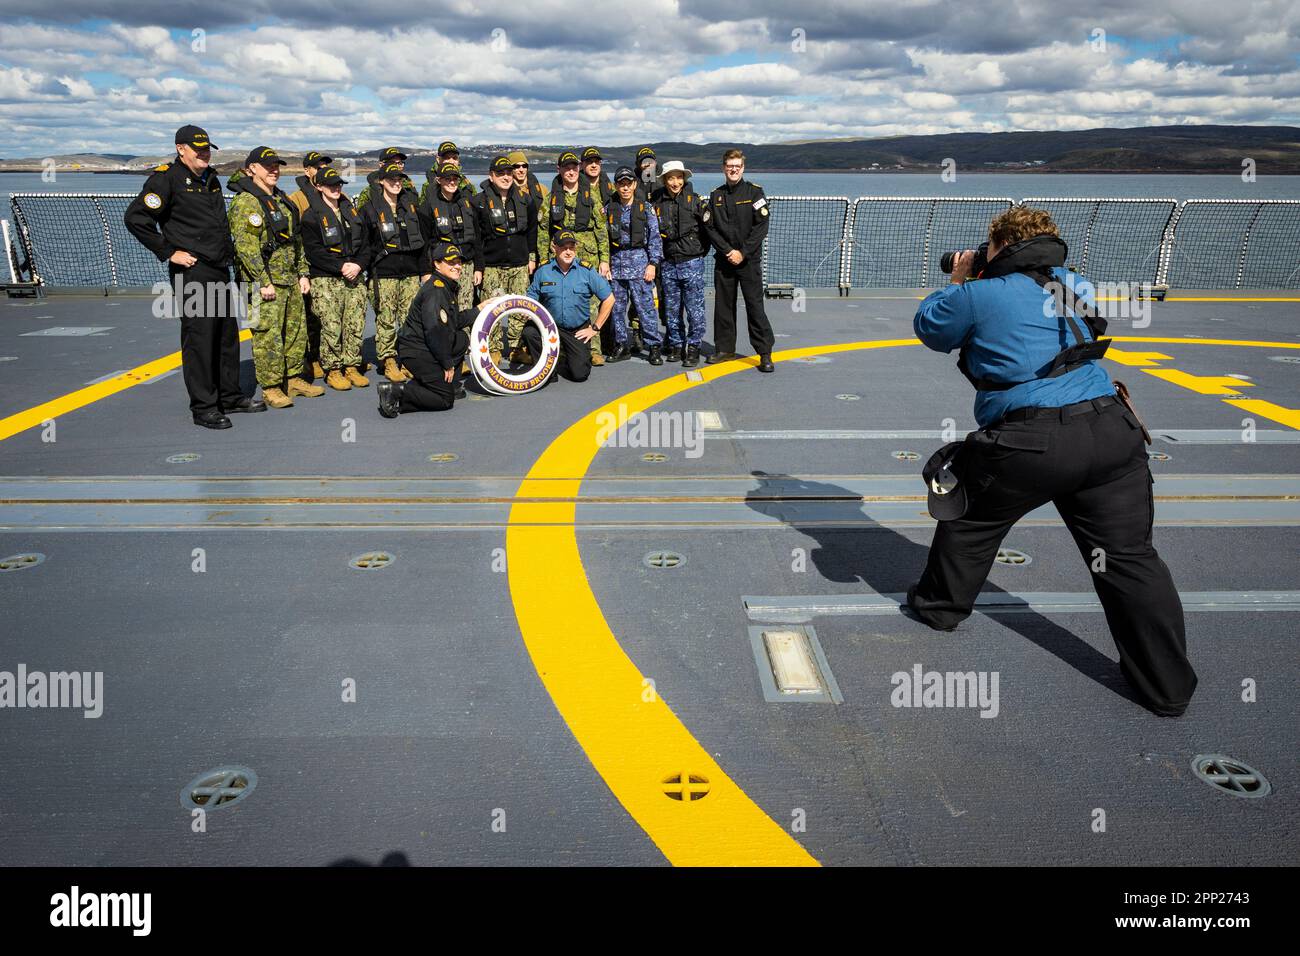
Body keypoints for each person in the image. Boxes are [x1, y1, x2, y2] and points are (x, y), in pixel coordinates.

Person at [906, 205, 1197, 718]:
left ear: (997, 246)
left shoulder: (977, 294)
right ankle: (1167, 687)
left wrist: (957, 278)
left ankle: (940, 608)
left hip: (1029, 441)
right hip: (1112, 431)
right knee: (1129, 557)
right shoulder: (1073, 284)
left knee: (969, 521)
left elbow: (931, 329)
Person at [124, 124, 264, 428]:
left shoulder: (210, 178)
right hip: (192, 271)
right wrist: (168, 251)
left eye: (206, 149)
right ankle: (203, 407)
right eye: (197, 148)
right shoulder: (166, 180)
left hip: (218, 268)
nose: (203, 154)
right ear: (181, 149)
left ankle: (229, 395)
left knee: (226, 336)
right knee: (200, 340)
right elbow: (135, 218)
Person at [227, 146, 322, 408]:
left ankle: (293, 378)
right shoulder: (246, 202)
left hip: (290, 280)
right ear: (251, 169)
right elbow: (246, 247)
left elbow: (296, 241)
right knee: (267, 336)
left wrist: (303, 273)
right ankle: (271, 386)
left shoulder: (281, 200)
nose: (274, 170)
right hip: (266, 283)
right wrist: (262, 281)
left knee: (295, 332)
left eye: (276, 166)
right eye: (268, 166)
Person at [378, 242, 476, 417]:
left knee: (461, 338)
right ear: (437, 264)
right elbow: (434, 331)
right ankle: (397, 391)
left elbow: (452, 322)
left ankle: (443, 384)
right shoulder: (436, 290)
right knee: (445, 400)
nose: (457, 266)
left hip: (426, 346)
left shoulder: (446, 285)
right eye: (451, 262)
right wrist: (447, 363)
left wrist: (478, 310)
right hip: (417, 350)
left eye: (459, 262)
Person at [300, 166, 371, 391]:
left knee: (355, 322)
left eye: (338, 184)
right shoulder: (311, 216)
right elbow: (313, 251)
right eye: (331, 185)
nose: (336, 188)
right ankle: (333, 369)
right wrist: (341, 266)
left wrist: (358, 264)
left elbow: (366, 244)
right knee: (331, 325)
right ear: (319, 187)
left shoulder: (351, 212)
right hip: (327, 278)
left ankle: (351, 365)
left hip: (355, 275)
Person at [703, 149, 773, 372]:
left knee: (755, 306)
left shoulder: (754, 193)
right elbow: (710, 227)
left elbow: (761, 226)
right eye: (729, 166)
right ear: (723, 168)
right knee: (723, 306)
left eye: (737, 166)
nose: (733, 169)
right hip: (725, 261)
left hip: (749, 260)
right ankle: (725, 349)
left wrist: (742, 252)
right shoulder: (716, 196)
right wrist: (727, 251)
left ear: (742, 168)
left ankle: (764, 353)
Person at [541, 149, 610, 366]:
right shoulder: (551, 198)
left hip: (588, 257)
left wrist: (605, 259)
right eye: (566, 168)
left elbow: (601, 230)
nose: (570, 172)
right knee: (561, 300)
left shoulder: (592, 196)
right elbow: (543, 231)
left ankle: (594, 349)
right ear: (559, 170)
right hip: (561, 256)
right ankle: (560, 347)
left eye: (574, 167)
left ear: (578, 168)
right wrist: (544, 259)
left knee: (592, 302)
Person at [519, 230, 614, 385]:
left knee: (580, 375)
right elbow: (532, 296)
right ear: (554, 248)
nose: (568, 252)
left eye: (572, 247)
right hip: (550, 326)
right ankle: (547, 369)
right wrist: (528, 310)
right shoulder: (543, 271)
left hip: (576, 329)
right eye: (564, 247)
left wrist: (595, 328)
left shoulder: (586, 271)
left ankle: (564, 357)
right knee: (530, 332)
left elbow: (609, 299)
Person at [470, 154, 538, 364]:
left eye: (509, 173)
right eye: (501, 173)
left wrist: (531, 257)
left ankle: (517, 348)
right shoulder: (479, 202)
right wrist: (479, 267)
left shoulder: (525, 200)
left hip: (519, 264)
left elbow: (532, 231)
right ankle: (494, 349)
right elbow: (476, 237)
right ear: (491, 176)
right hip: (491, 265)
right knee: (493, 309)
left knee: (520, 311)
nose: (506, 177)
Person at [361, 161, 426, 383]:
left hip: (410, 273)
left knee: (410, 320)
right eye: (391, 180)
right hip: (384, 274)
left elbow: (423, 241)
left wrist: (424, 270)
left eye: (399, 180)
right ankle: (388, 361)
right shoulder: (370, 208)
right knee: (386, 320)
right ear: (381, 181)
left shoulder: (411, 207)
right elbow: (364, 244)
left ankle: (407, 358)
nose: (396, 183)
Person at [652, 160, 708, 367]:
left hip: (691, 262)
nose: (674, 182)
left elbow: (707, 231)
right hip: (668, 263)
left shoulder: (696, 201)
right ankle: (676, 344)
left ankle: (693, 346)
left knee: (695, 309)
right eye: (670, 178)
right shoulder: (657, 203)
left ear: (684, 179)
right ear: (665, 180)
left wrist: (697, 252)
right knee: (671, 309)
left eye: (678, 177)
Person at [605, 165, 663, 364]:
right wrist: (605, 263)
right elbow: (603, 239)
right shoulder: (609, 209)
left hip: (640, 264)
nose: (625, 188)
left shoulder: (645, 208)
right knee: (617, 309)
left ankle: (654, 345)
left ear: (634, 185)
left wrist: (653, 264)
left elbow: (655, 238)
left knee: (645, 307)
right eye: (621, 184)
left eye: (628, 184)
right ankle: (622, 344)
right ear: (616, 186)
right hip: (616, 265)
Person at [287, 150, 333, 382]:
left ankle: (330, 358)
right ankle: (311, 359)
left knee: (331, 316)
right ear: (307, 171)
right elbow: (294, 236)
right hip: (309, 267)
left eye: (326, 165)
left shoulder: (333, 193)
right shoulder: (297, 198)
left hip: (331, 267)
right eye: (318, 166)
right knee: (309, 317)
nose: (323, 169)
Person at [420, 161, 480, 315]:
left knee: (465, 308)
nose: (452, 182)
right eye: (447, 179)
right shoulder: (428, 206)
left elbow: (477, 239)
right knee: (442, 310)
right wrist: (426, 271)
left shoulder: (467, 203)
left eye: (455, 179)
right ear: (439, 180)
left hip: (465, 266)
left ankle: (464, 339)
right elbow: (425, 243)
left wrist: (479, 267)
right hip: (442, 267)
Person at [419, 141, 476, 206]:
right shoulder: (429, 184)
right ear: (438, 159)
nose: (451, 161)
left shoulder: (466, 183)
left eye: (454, 158)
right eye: (446, 158)